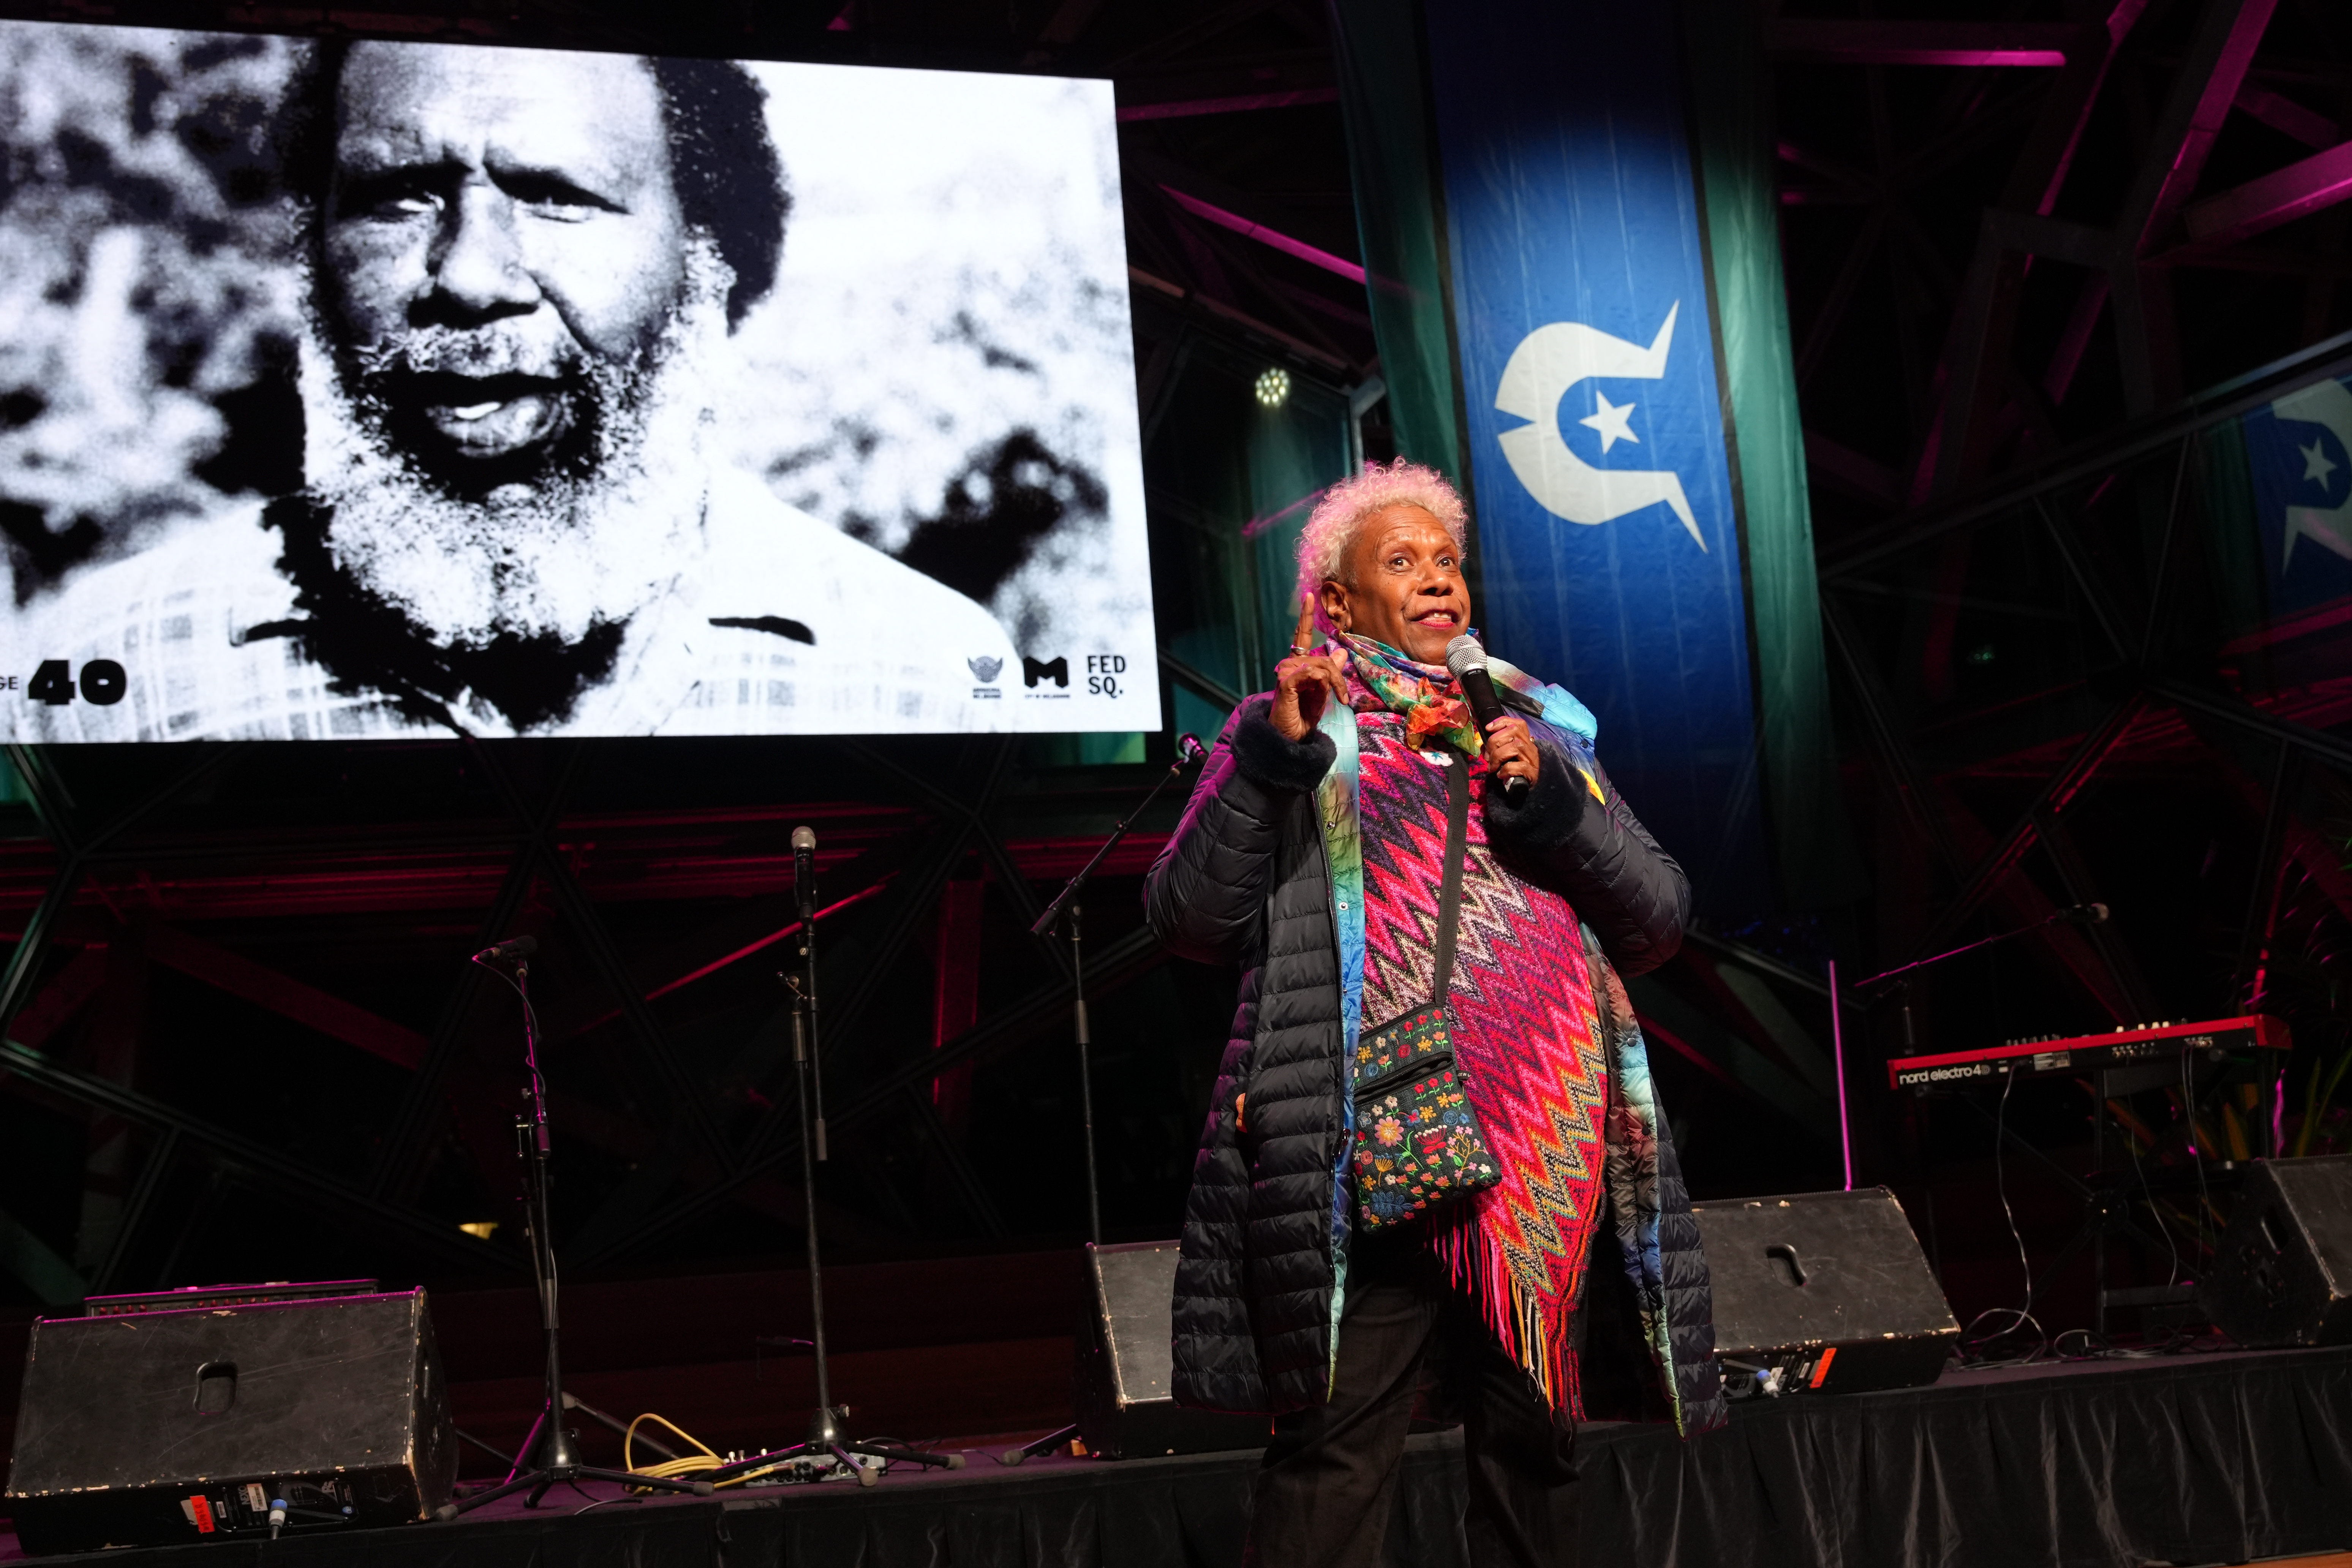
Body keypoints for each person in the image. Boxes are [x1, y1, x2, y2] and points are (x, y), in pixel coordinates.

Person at [4, 40, 1016, 741]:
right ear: (314, 264)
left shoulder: (921, 672)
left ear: (707, 260)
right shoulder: (106, 674)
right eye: (397, 197)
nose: (469, 277)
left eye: (556, 195)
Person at [1144, 459, 1723, 1566]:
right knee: (1335, 1448)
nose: (1436, 581)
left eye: (1447, 561)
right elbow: (1188, 916)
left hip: (1541, 1147)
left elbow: (1658, 922)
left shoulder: (1540, 726)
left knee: (1537, 1450)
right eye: (1400, 563)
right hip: (1379, 1141)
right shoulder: (1294, 729)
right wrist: (1270, 759)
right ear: (1341, 603)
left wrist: (1557, 805)